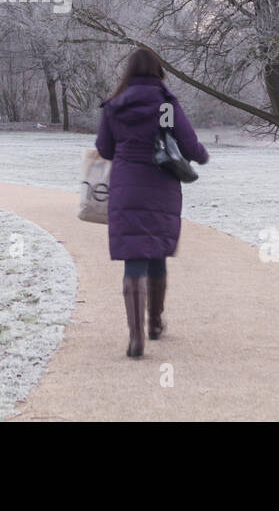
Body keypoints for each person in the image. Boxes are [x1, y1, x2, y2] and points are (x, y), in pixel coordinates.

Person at [95, 47, 208, 358]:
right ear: (159, 72)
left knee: (135, 256)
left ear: (128, 73)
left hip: (127, 187)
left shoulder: (114, 106)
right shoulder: (165, 106)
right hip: (160, 186)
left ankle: (136, 338)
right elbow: (185, 141)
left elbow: (104, 149)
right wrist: (201, 156)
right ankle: (155, 323)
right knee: (156, 249)